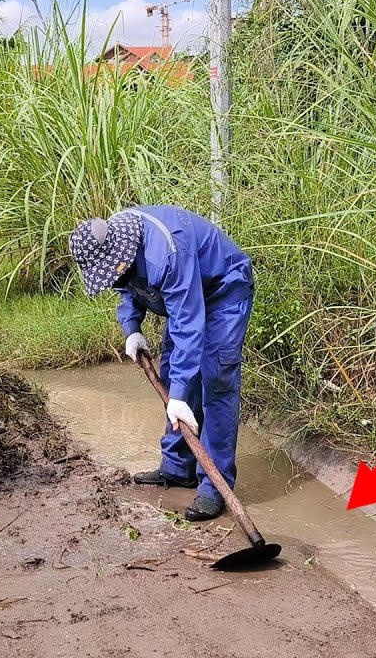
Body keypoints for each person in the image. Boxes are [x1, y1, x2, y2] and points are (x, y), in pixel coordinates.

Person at [69, 206, 253, 521]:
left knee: (216, 382)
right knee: (173, 374)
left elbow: (188, 323)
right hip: (187, 298)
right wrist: (133, 328)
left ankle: (214, 487)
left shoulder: (167, 252)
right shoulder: (119, 239)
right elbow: (126, 282)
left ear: (122, 250)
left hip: (223, 291)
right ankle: (178, 468)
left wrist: (179, 396)